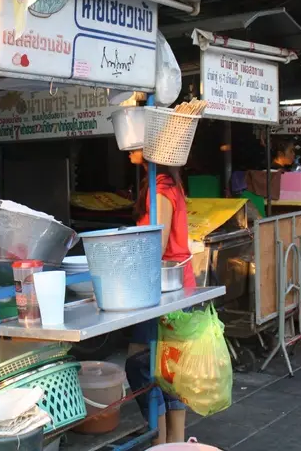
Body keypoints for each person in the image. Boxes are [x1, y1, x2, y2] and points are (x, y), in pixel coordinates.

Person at [125, 149, 196, 444]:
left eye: (135, 143)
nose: (129, 148)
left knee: (142, 363)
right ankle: (172, 442)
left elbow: (158, 244)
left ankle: (162, 440)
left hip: (165, 289)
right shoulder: (164, 183)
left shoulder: (162, 188)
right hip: (171, 286)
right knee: (167, 366)